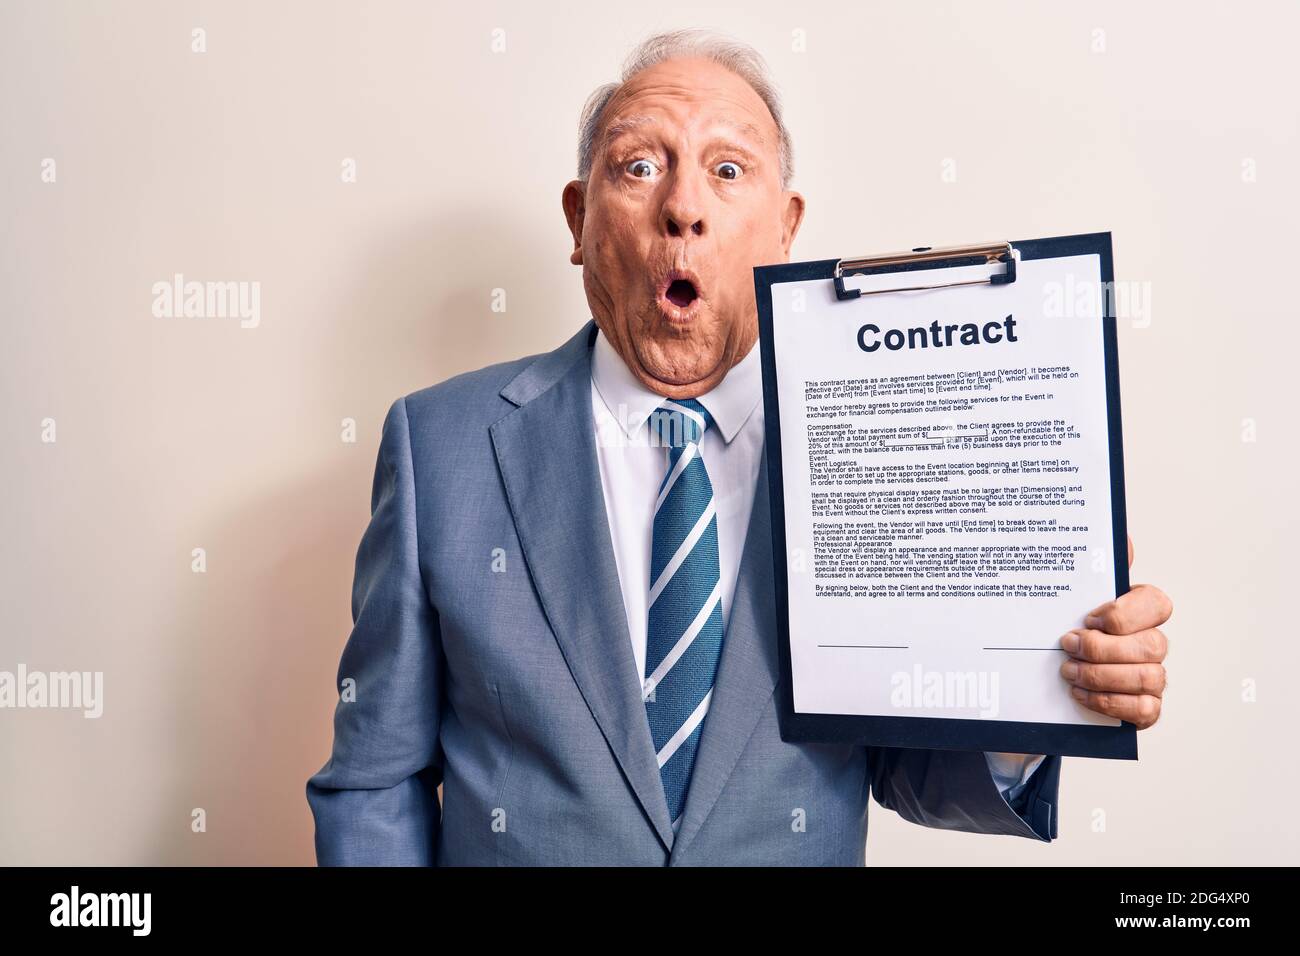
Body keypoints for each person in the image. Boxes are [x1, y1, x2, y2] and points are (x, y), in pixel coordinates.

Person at [306, 29, 1171, 866]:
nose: (683, 207)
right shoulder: (439, 446)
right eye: (639, 166)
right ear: (579, 222)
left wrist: (1053, 683)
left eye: (728, 171)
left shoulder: (875, 445)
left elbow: (910, 767)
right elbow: (375, 781)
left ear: (786, 229)